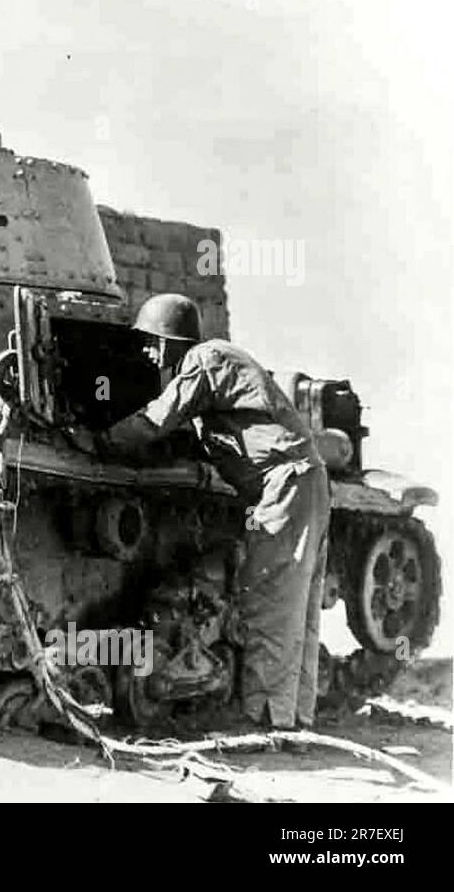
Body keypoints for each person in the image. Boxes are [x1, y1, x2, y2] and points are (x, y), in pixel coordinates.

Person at [65, 294, 331, 729]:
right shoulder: (217, 367)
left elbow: (155, 420)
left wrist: (98, 441)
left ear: (175, 340)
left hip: (285, 486)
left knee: (269, 603)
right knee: (295, 610)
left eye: (154, 341)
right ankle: (291, 720)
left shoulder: (205, 361)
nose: (149, 352)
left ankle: (264, 723)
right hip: (303, 482)